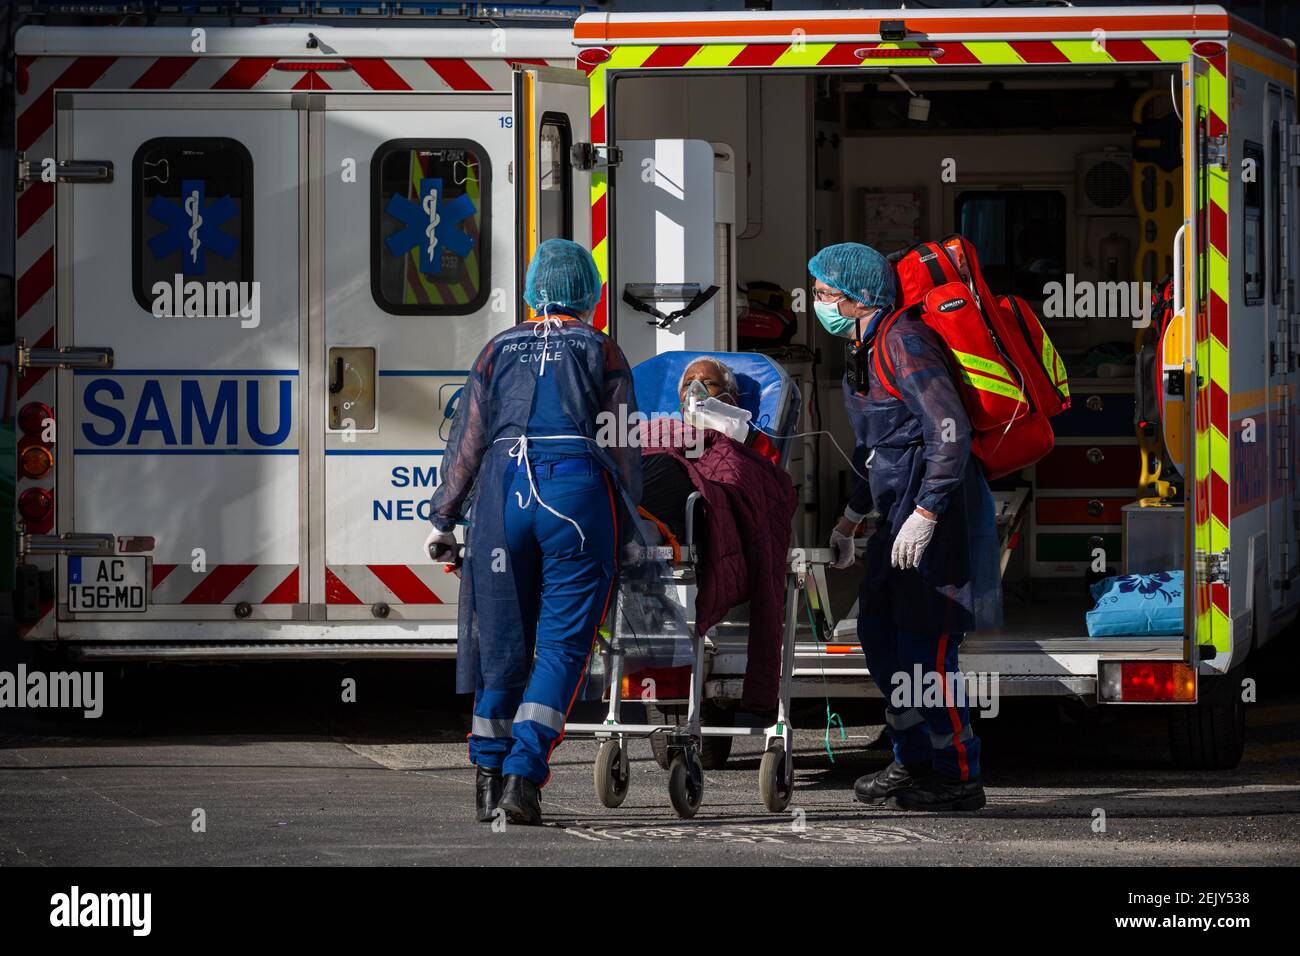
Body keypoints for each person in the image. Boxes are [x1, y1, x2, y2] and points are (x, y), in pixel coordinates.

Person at [425, 238, 641, 826]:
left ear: (531, 289)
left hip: (500, 496)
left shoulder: (497, 348)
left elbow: (468, 439)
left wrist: (444, 517)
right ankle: (523, 778)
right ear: (588, 295)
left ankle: (486, 777)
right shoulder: (601, 349)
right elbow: (621, 444)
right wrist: (629, 525)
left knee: (501, 644)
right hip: (574, 497)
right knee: (562, 646)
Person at [810, 242, 1001, 813]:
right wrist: (849, 518)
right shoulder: (864, 348)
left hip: (934, 519)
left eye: (824, 293)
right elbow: (881, 449)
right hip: (895, 515)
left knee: (927, 652)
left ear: (860, 297)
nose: (816, 301)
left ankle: (958, 775)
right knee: (881, 639)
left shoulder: (902, 341)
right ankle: (912, 757)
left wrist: (928, 511)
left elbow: (948, 431)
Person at [635, 358, 797, 721]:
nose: (693, 390)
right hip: (655, 485)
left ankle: (624, 508)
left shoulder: (748, 441)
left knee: (660, 469)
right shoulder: (661, 430)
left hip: (687, 495)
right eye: (686, 383)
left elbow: (762, 486)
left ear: (730, 397)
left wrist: (721, 438)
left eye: (704, 383)